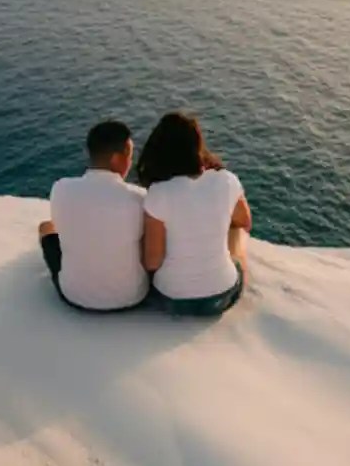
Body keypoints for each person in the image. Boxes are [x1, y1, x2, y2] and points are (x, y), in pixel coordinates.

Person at [137, 112, 251, 317]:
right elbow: (244, 221)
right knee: (237, 229)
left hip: (172, 299)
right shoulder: (226, 180)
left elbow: (153, 261)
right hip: (222, 295)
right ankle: (236, 263)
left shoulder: (158, 193)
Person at [38, 120, 150, 312]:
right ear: (117, 159)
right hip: (131, 296)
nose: (131, 162)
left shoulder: (61, 188)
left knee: (46, 227)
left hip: (74, 295)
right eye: (129, 156)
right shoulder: (139, 198)